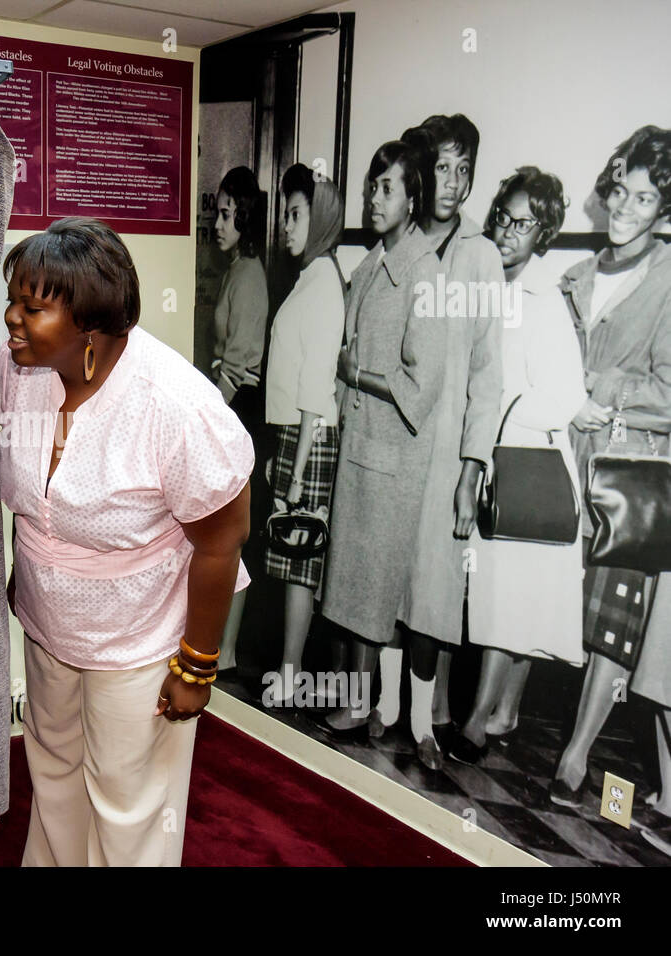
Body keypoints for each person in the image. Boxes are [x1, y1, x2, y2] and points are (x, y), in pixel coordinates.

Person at [0, 217, 254, 866]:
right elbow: (34, 509)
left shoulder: (174, 405)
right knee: (54, 775)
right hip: (50, 627)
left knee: (128, 802)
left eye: (32, 306)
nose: (11, 319)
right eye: (13, 300)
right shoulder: (20, 372)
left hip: (140, 642)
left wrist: (197, 661)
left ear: (90, 325)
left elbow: (222, 541)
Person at [550, 126, 671, 809]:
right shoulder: (577, 277)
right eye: (620, 191)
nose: (626, 208)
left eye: (646, 198)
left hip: (631, 472)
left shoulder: (669, 280)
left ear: (665, 211)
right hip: (568, 460)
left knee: (615, 616)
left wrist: (603, 386)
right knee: (568, 603)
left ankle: (577, 754)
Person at [315, 141, 445, 765]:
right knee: (348, 584)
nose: (375, 198)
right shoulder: (371, 264)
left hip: (393, 454)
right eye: (372, 186)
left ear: (413, 199)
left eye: (387, 188)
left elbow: (423, 387)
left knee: (369, 589)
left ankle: (363, 703)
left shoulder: (425, 272)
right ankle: (356, 700)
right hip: (360, 446)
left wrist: (360, 375)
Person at [453, 167, 586, 766]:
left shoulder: (546, 300)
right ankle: (504, 711)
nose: (506, 231)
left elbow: (567, 396)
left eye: (522, 223)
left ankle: (478, 721)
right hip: (502, 460)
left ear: (545, 232)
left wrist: (500, 412)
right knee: (516, 601)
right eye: (501, 217)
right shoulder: (487, 286)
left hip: (528, 468)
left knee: (513, 598)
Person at [383, 117, 503, 764]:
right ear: (422, 172)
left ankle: (426, 724)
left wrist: (471, 469)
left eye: (465, 169)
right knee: (386, 578)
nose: (453, 183)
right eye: (443, 168)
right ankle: (385, 706)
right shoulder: (398, 246)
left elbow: (489, 374)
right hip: (391, 444)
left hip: (446, 455)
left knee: (432, 585)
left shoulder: (479, 257)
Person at [260, 163, 346, 704]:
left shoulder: (324, 286)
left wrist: (294, 475)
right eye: (286, 215)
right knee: (291, 559)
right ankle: (290, 672)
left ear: (320, 220)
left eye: (296, 215)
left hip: (309, 437)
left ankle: (292, 678)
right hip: (295, 436)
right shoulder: (310, 278)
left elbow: (316, 392)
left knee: (299, 561)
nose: (286, 226)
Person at [209, 167, 268, 671]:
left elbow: (242, 361)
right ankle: (223, 647)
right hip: (230, 406)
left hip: (239, 408)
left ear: (245, 219)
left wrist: (211, 416)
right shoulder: (235, 269)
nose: (218, 223)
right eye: (217, 212)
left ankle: (227, 652)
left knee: (234, 532)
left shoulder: (249, 275)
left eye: (228, 214)